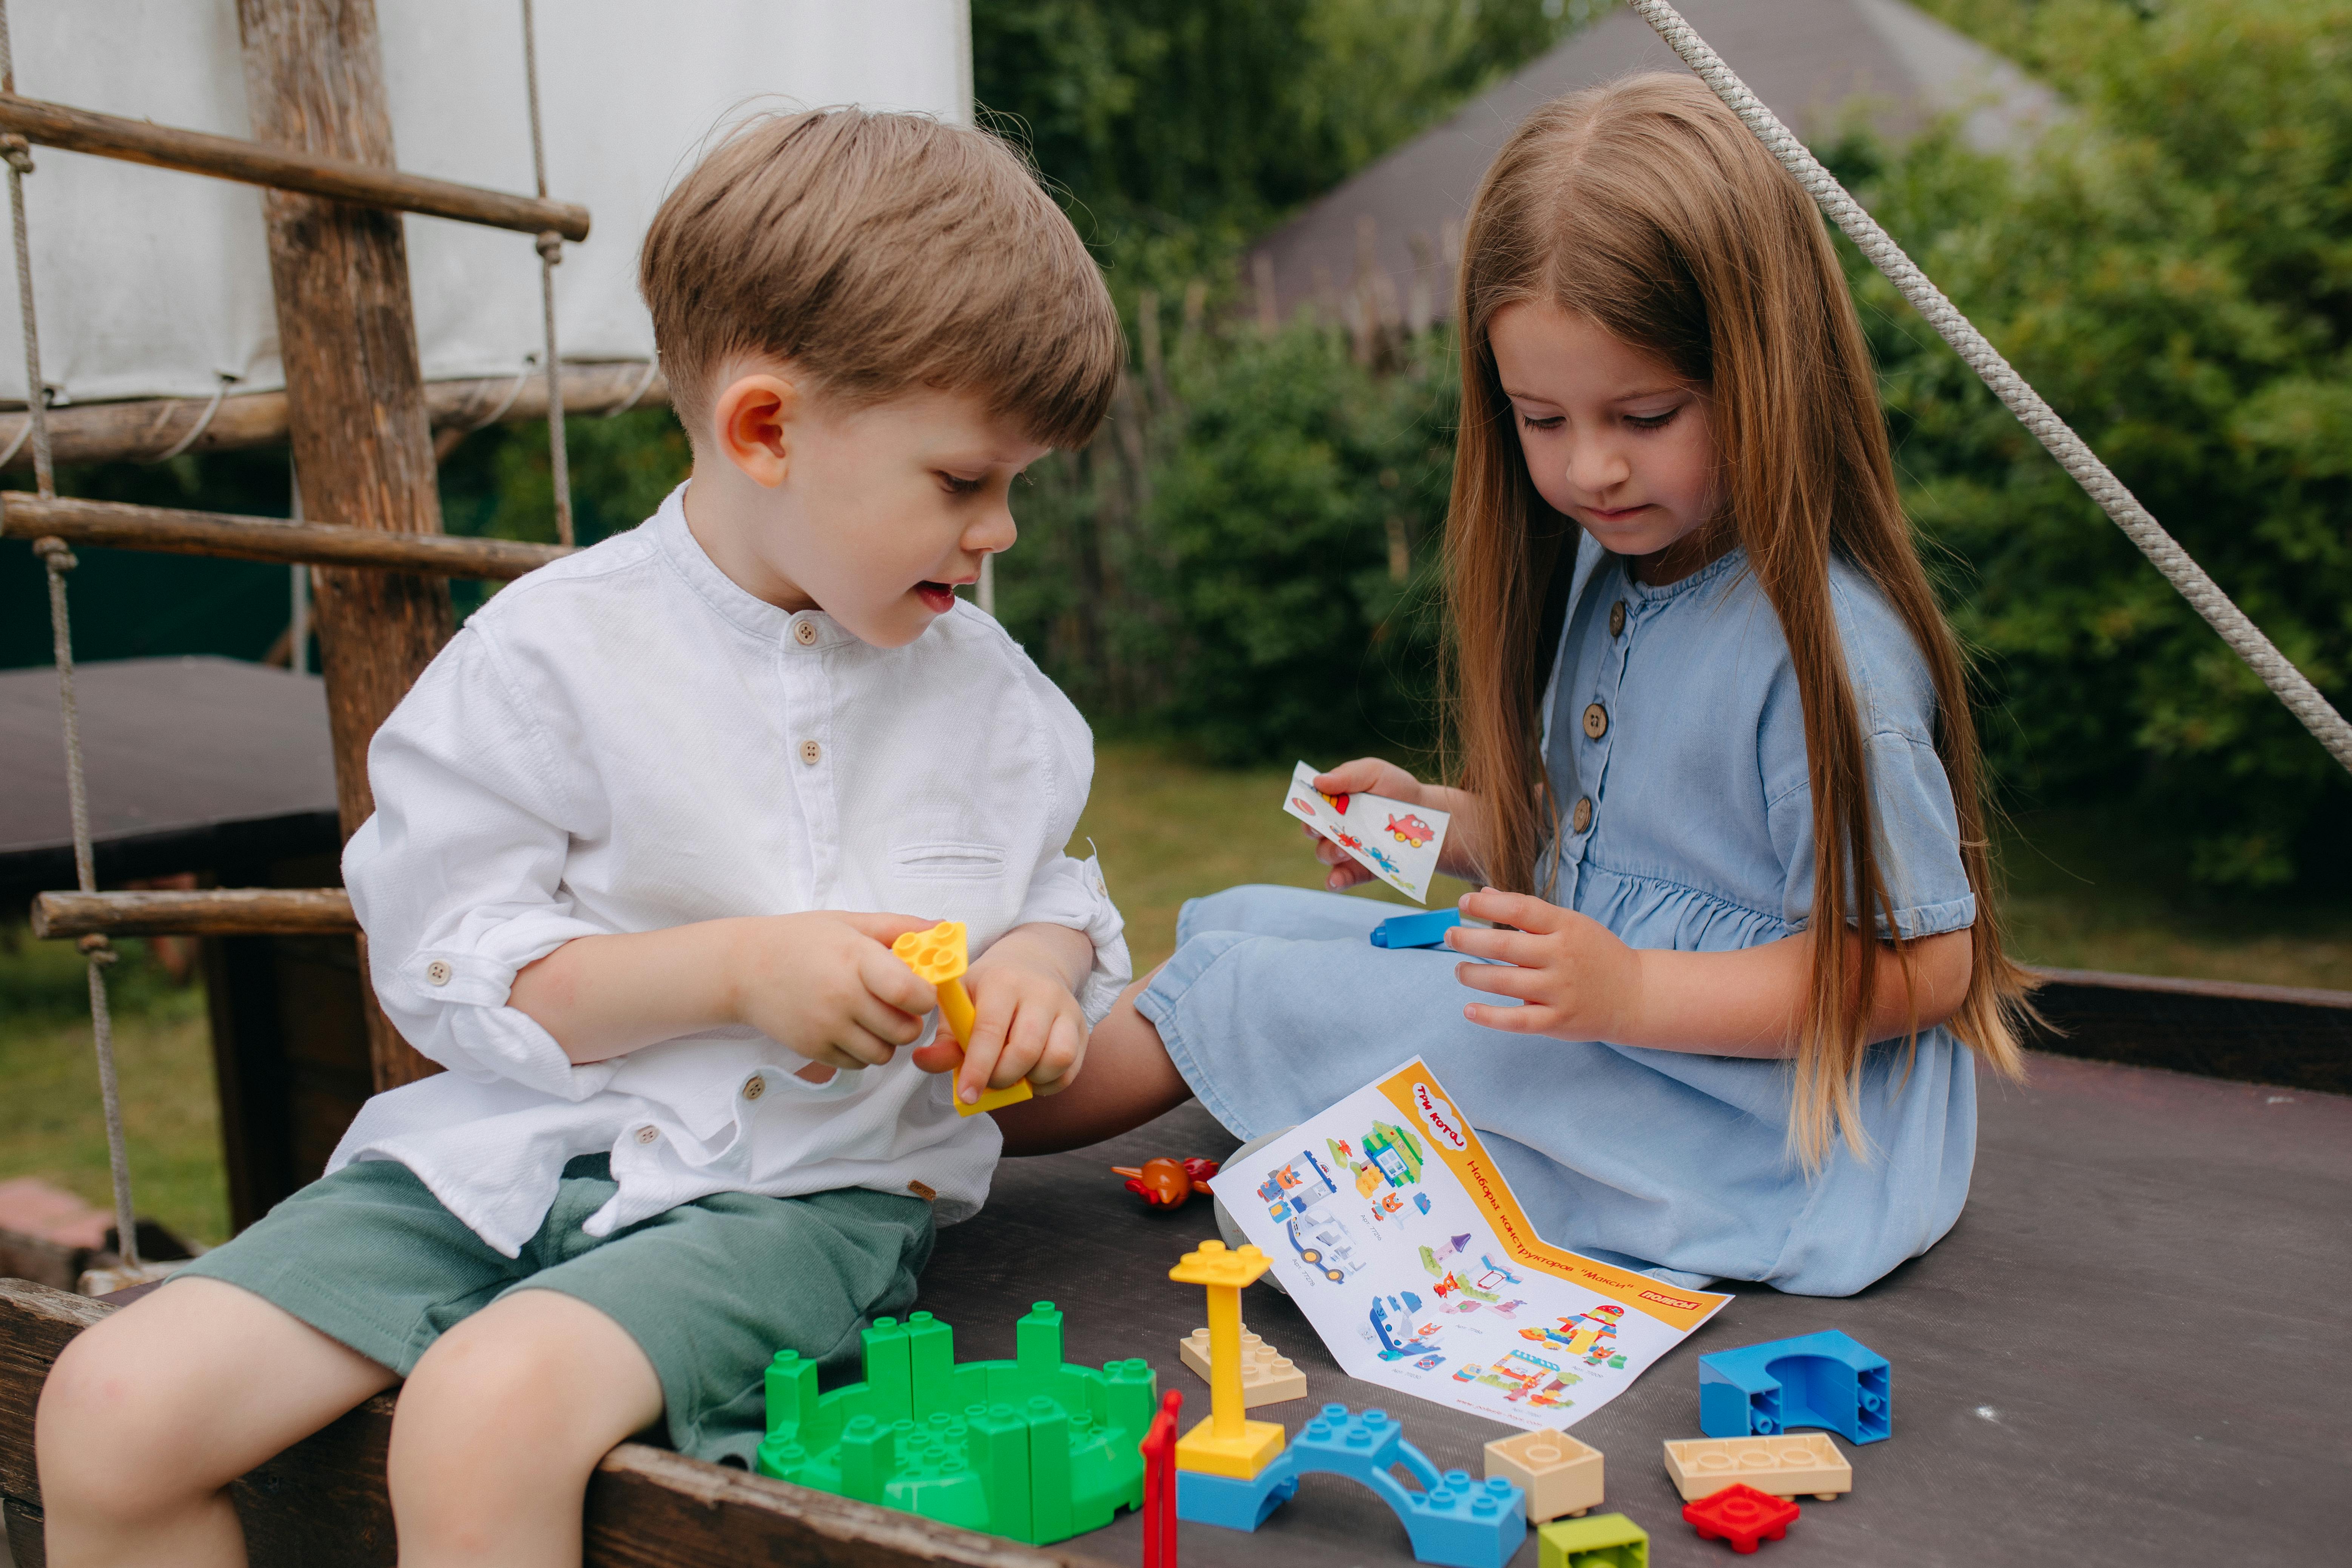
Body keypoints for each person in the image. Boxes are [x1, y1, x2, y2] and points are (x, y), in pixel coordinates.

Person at [36, 109, 1127, 1567]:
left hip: (792, 1193)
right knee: (109, 1402)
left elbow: (1053, 885)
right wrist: (735, 971)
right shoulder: (544, 662)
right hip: (499, 1158)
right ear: (764, 430)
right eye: (962, 481)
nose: (997, 532)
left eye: (1016, 487)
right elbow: (457, 965)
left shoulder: (1000, 709)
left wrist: (1042, 971)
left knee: (486, 1414)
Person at [999, 73, 2033, 1299]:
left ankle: (960, 1130)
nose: (1592, 466)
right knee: (1241, 921)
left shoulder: (1826, 656)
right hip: (1634, 1047)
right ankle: (983, 1092)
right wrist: (1441, 822)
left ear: (1770, 370)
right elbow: (1614, 855)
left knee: (1250, 988)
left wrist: (1635, 988)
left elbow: (1925, 965)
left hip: (1759, 1131)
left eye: (1646, 414)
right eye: (1542, 418)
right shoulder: (1622, 562)